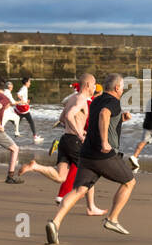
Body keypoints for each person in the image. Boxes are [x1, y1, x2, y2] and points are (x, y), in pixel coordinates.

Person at [45, 73, 135, 244]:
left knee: (79, 190)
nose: (123, 90)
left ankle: (55, 223)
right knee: (129, 182)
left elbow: (100, 120)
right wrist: (104, 142)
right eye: (122, 87)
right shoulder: (113, 102)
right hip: (103, 155)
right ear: (117, 88)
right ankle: (112, 219)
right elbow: (104, 115)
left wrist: (122, 119)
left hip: (86, 153)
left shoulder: (95, 101)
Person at [17, 73, 105, 215]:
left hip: (65, 140)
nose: (95, 87)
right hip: (75, 141)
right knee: (91, 171)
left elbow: (62, 118)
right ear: (88, 85)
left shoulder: (72, 98)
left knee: (61, 176)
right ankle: (91, 207)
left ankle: (35, 166)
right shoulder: (82, 100)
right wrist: (79, 132)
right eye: (94, 84)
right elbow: (69, 115)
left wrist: (74, 128)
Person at [13, 76, 43, 142]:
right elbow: (18, 94)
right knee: (31, 122)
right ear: (26, 82)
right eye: (29, 82)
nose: (30, 83)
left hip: (20, 108)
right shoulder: (24, 88)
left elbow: (20, 95)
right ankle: (35, 136)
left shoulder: (24, 88)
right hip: (23, 109)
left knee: (17, 121)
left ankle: (15, 133)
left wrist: (25, 101)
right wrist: (23, 101)